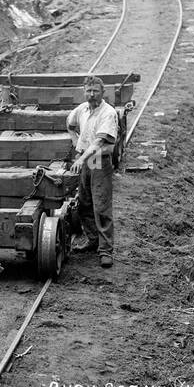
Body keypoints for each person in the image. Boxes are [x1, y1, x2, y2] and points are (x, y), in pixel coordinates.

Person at [65, 75, 118, 268]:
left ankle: (106, 251)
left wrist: (80, 158)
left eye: (95, 90)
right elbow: (69, 124)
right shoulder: (82, 109)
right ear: (84, 91)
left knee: (101, 205)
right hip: (86, 159)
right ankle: (93, 240)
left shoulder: (108, 113)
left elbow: (98, 143)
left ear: (103, 92)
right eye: (88, 90)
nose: (91, 94)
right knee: (84, 203)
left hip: (98, 160)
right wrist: (74, 141)